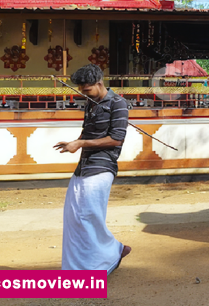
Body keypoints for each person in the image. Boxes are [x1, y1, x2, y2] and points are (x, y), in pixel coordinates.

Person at [54, 64, 132, 274]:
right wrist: (74, 142)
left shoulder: (119, 104)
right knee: (74, 216)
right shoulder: (91, 103)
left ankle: (103, 262)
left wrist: (80, 144)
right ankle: (81, 268)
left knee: (88, 215)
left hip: (103, 166)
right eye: (81, 89)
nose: (82, 93)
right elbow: (86, 133)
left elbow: (116, 139)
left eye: (86, 89)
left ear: (99, 83)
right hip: (84, 166)